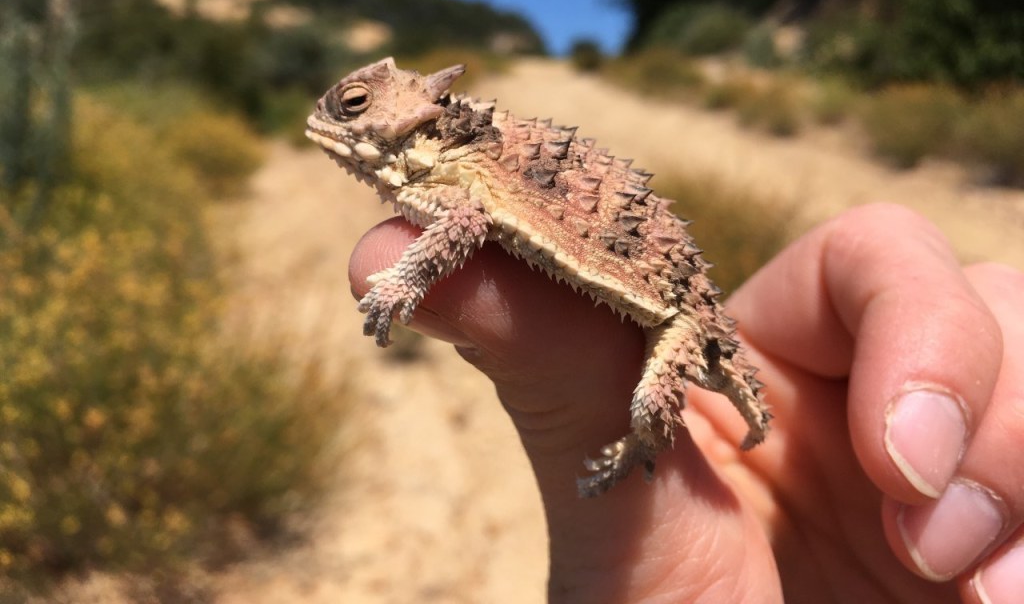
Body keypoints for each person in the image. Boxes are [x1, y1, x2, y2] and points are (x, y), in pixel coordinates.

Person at [349, 203, 1023, 603]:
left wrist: (406, 276)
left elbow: (465, 220)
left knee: (648, 408)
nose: (340, 119)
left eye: (357, 107)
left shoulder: (455, 170)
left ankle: (643, 448)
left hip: (678, 316)